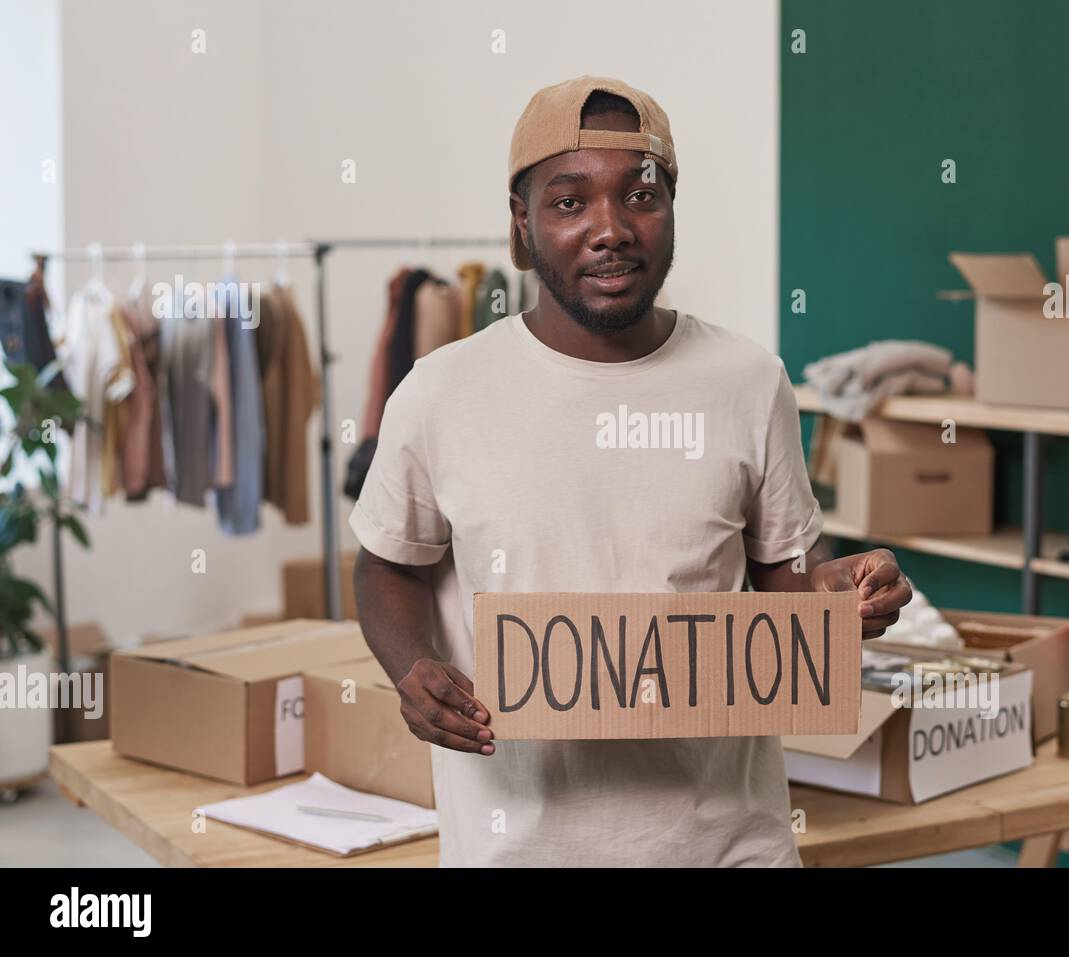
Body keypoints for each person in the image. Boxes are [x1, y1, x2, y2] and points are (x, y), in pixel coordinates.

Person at [350, 75, 912, 867]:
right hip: (521, 844)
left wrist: (839, 593)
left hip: (727, 842)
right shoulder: (441, 392)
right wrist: (412, 668)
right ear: (523, 224)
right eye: (569, 202)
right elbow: (385, 567)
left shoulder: (750, 380)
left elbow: (786, 584)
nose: (609, 228)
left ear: (671, 205)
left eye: (639, 195)